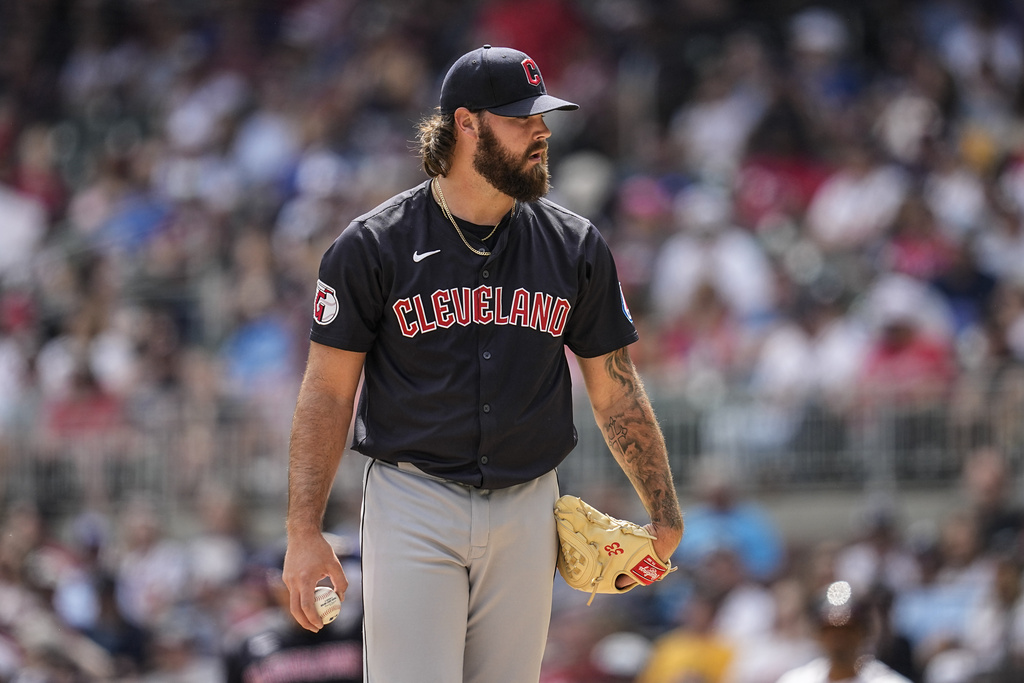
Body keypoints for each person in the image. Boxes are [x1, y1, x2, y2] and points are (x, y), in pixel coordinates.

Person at [281, 45, 683, 683]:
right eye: (522, 118)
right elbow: (328, 393)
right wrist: (304, 531)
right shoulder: (373, 245)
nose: (542, 131)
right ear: (467, 124)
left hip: (527, 504)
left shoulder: (575, 246)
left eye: (542, 117)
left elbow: (617, 389)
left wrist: (663, 511)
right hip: (414, 501)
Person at [776, 581, 911, 683]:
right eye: (831, 629)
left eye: (847, 629)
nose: (839, 639)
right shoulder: (796, 680)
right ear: (817, 633)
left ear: (864, 632)